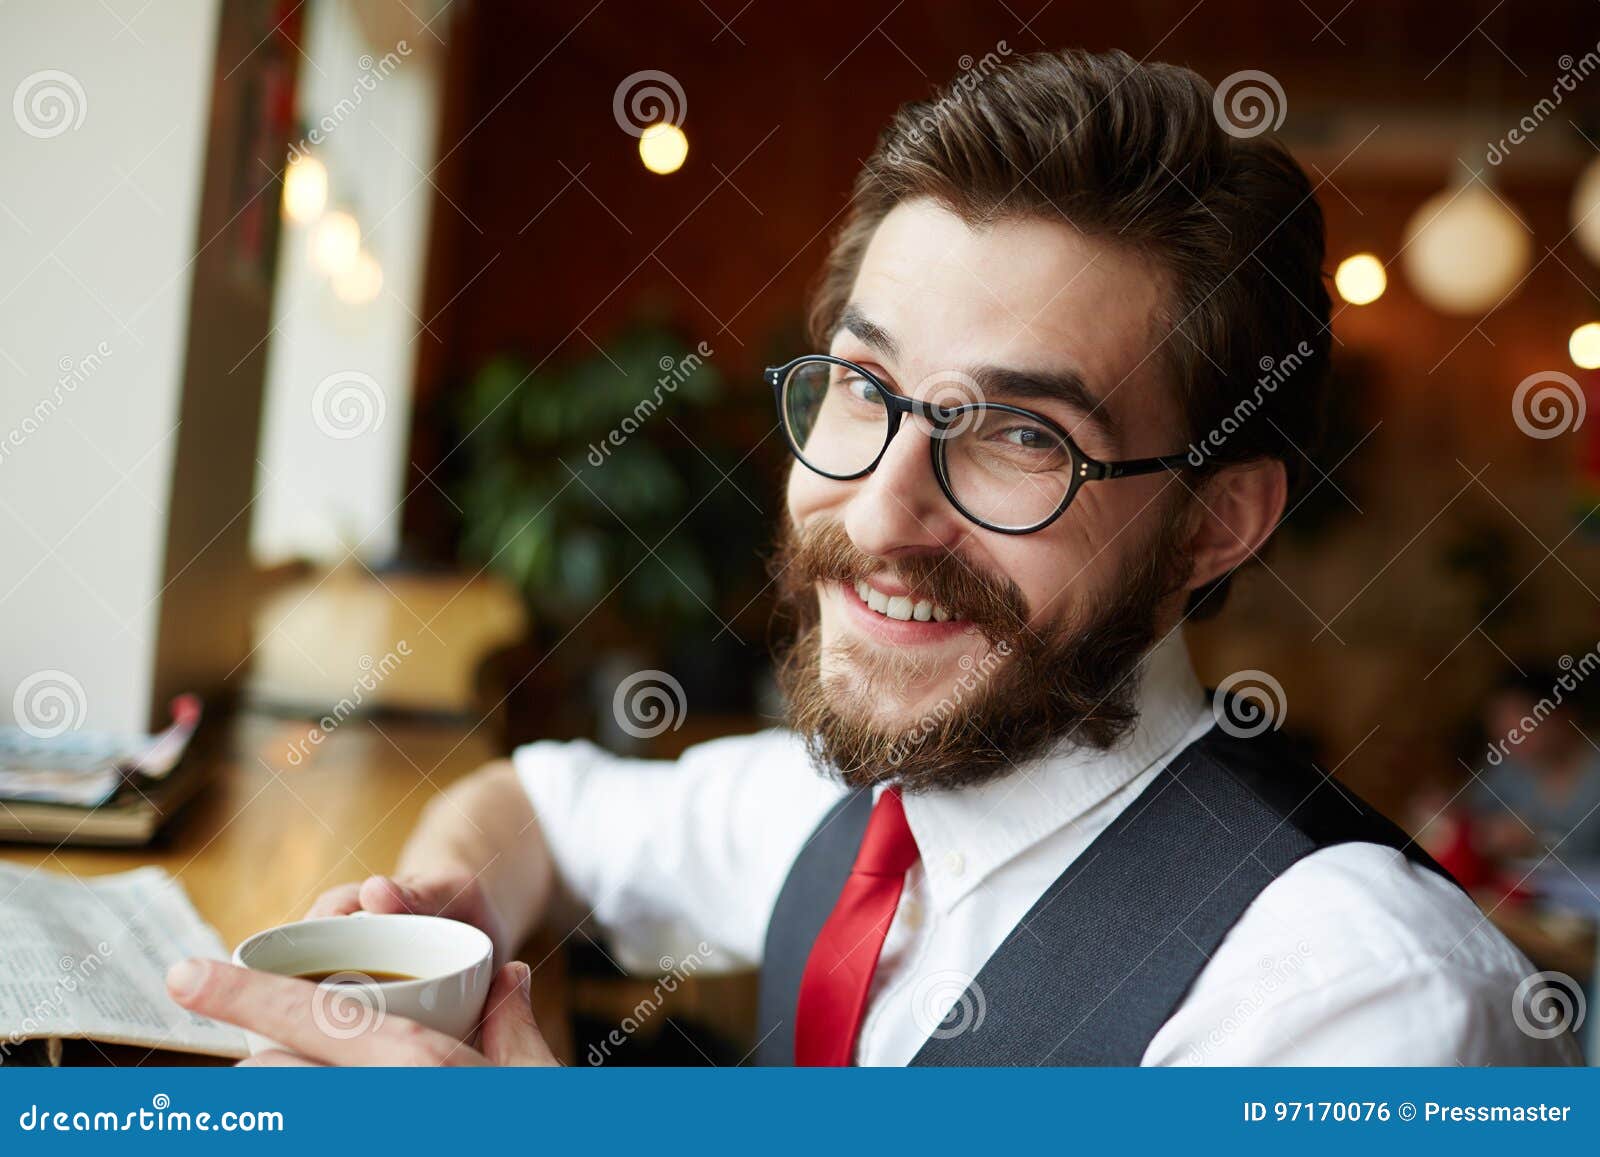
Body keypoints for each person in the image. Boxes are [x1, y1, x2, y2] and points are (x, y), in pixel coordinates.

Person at [167, 49, 1581, 1066]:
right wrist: (435, 947)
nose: (884, 508)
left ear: (1218, 521)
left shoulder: (1360, 1006)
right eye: (863, 388)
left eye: (1021, 434)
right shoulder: (839, 803)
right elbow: (528, 803)